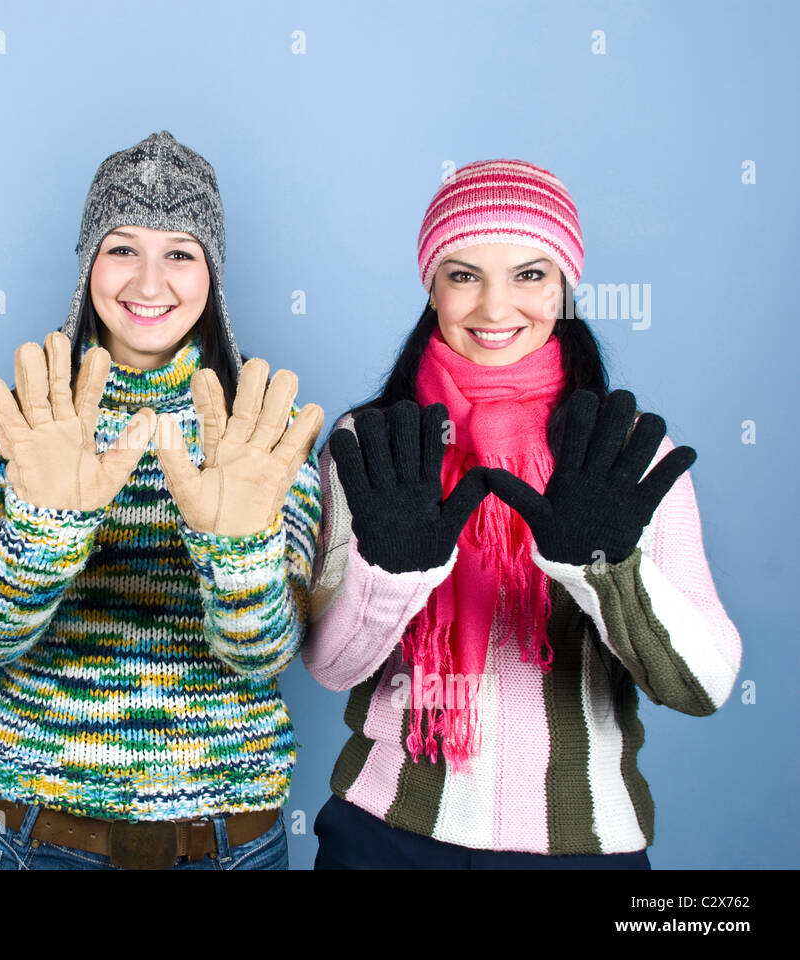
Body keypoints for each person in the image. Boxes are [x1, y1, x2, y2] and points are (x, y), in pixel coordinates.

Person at [304, 159, 741, 868]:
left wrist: (604, 571)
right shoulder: (374, 444)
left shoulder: (623, 456)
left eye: (530, 275)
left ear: (565, 286)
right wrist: (392, 572)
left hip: (580, 843)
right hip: (384, 836)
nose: (495, 308)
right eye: (464, 274)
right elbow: (328, 665)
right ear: (431, 286)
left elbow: (703, 685)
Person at [0, 131, 324, 870]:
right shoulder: (25, 425)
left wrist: (240, 552)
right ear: (88, 260)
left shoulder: (259, 430)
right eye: (123, 248)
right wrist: (48, 530)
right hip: (38, 838)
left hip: (230, 845)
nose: (149, 283)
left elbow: (269, 654)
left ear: (212, 273)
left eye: (180, 253)